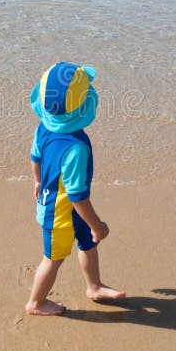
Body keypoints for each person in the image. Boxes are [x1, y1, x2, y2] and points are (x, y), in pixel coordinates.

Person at [25, 62, 125, 316]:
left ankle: (94, 286)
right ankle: (36, 302)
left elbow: (35, 157)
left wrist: (38, 181)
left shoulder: (44, 126)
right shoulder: (76, 147)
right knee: (53, 259)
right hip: (58, 214)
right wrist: (97, 224)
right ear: (83, 106)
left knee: (87, 245)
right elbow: (77, 194)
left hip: (64, 206)